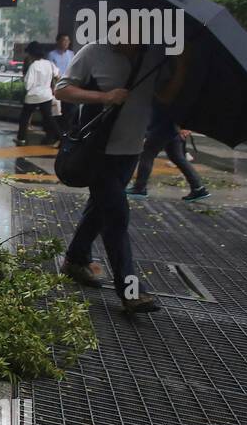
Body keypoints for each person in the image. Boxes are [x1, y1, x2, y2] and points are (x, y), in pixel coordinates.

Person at [55, 37, 165, 314]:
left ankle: (75, 259)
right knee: (116, 216)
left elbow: (165, 96)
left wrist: (183, 62)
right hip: (98, 151)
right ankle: (130, 290)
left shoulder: (154, 56)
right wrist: (104, 97)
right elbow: (62, 90)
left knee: (99, 210)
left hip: (130, 152)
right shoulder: (94, 51)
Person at [127, 101, 210, 202]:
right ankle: (198, 187)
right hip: (171, 128)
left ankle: (139, 188)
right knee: (177, 157)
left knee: (147, 154)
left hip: (162, 128)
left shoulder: (167, 90)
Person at [16, 41, 61, 146]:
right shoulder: (49, 64)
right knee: (49, 117)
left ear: (32, 54)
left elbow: (28, 84)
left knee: (25, 117)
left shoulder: (33, 66)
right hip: (46, 95)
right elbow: (58, 75)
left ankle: (21, 138)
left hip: (33, 96)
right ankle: (60, 137)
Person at [48, 33, 77, 131]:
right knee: (57, 111)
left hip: (69, 85)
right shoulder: (52, 55)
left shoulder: (71, 54)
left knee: (69, 110)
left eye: (68, 41)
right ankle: (57, 132)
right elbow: (50, 71)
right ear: (58, 41)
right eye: (64, 40)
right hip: (57, 85)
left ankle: (66, 131)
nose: (66, 43)